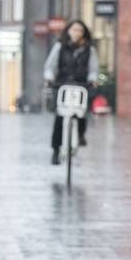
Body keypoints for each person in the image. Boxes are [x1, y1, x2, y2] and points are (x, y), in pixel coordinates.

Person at [44, 20, 99, 165]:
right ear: (68, 31)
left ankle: (80, 134)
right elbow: (51, 65)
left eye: (79, 30)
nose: (76, 33)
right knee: (60, 117)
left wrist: (92, 80)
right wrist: (49, 78)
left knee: (81, 113)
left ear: (83, 33)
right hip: (62, 84)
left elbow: (93, 69)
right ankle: (56, 150)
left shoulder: (89, 50)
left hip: (81, 85)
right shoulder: (60, 47)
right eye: (74, 30)